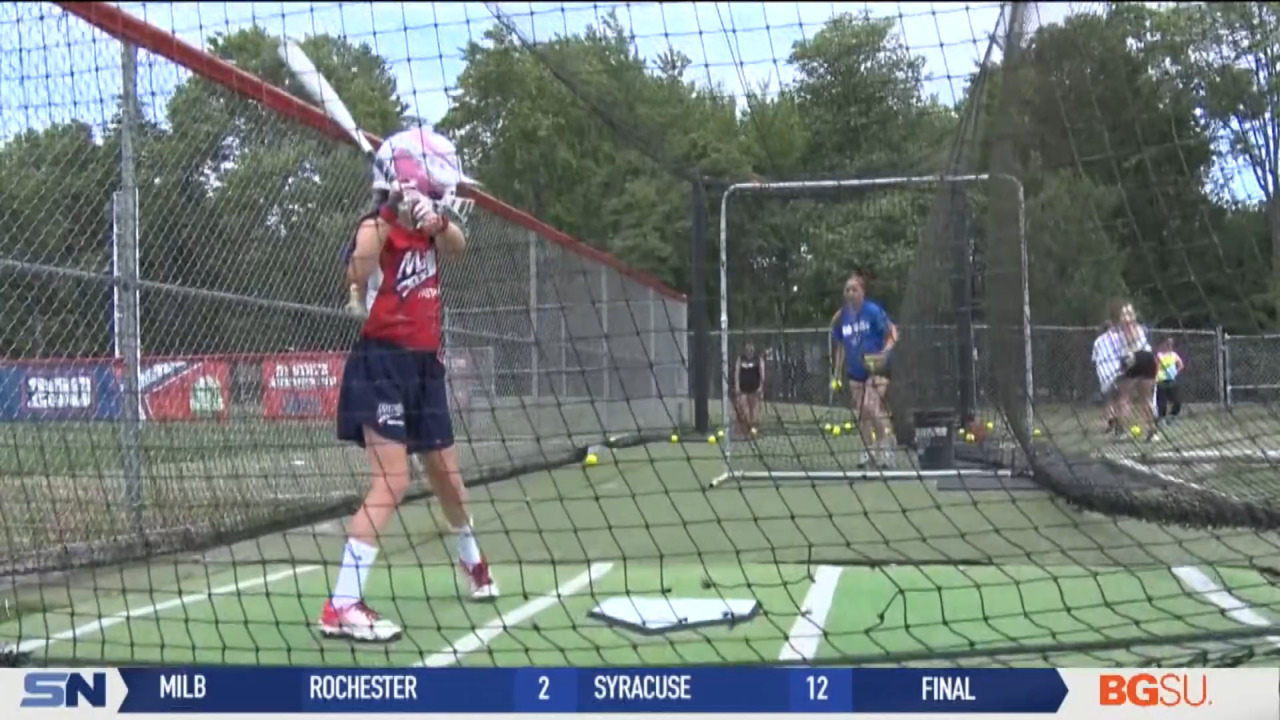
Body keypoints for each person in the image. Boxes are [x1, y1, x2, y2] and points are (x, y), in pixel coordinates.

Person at [322, 128, 497, 644]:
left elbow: (458, 247)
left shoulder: (430, 225)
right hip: (381, 365)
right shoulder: (376, 227)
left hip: (425, 367)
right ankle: (343, 605)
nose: (446, 193)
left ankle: (472, 562)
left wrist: (434, 218)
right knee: (392, 481)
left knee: (447, 475)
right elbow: (353, 276)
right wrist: (390, 215)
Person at [830, 272, 898, 468]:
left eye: (854, 289)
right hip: (855, 372)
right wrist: (837, 371)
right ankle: (868, 452)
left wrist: (884, 353)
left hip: (877, 368)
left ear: (862, 292)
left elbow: (892, 332)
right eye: (847, 290)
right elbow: (841, 345)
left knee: (872, 406)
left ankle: (887, 450)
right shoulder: (843, 316)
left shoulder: (873, 311)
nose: (851, 293)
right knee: (862, 413)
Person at [733, 342, 765, 437]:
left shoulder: (758, 359)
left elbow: (762, 374)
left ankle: (754, 432)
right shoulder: (740, 359)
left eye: (751, 347)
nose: (749, 349)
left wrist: (761, 387)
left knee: (754, 413)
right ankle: (745, 431)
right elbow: (737, 373)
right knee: (744, 411)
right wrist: (737, 386)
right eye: (747, 347)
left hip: (755, 389)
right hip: (743, 389)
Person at [1155, 337, 1185, 424]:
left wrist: (1176, 371)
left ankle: (1173, 416)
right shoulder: (1159, 355)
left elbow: (1181, 365)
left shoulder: (1174, 355)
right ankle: (1162, 418)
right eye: (1167, 343)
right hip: (1161, 380)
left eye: (1171, 344)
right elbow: (1156, 367)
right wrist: (1156, 377)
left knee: (1177, 400)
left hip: (1171, 380)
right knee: (1162, 401)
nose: (1169, 345)